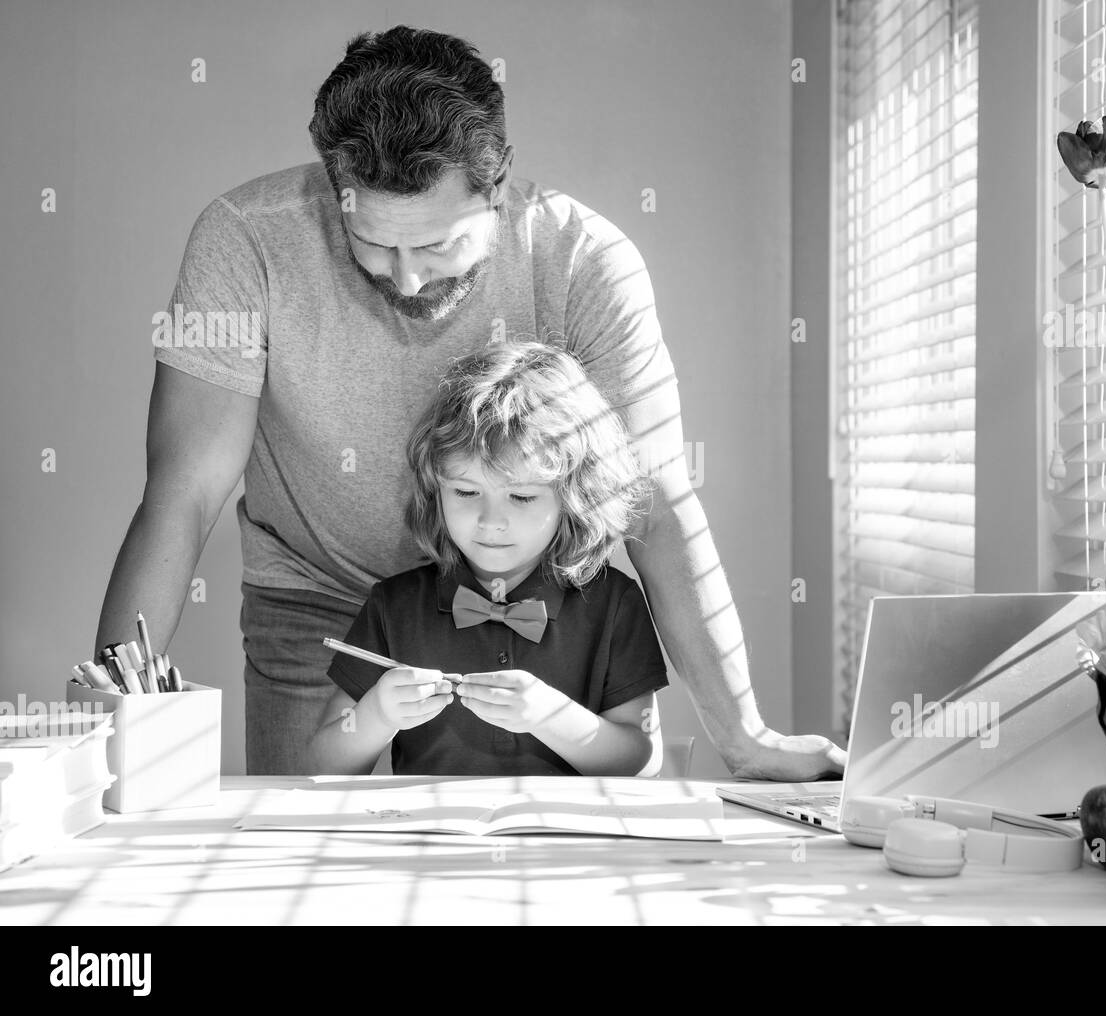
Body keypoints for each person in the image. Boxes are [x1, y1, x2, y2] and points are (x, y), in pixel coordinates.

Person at [93, 25, 844, 780]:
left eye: (437, 245)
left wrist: (745, 740)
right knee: (300, 833)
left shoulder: (586, 261)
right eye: (374, 243)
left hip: (534, 598)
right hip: (314, 597)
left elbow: (653, 501)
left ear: (497, 182)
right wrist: (110, 719)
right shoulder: (244, 240)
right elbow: (184, 491)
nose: (408, 279)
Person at [309, 342, 667, 776]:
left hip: (567, 823)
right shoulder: (394, 606)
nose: (490, 522)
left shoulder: (614, 604)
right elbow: (321, 765)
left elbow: (641, 760)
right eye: (465, 492)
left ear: (576, 496)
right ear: (434, 490)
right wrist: (376, 716)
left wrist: (554, 719)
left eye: (522, 496)